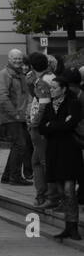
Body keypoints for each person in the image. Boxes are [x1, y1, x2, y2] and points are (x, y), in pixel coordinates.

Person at [38, 71, 82, 241]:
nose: (52, 91)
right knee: (60, 190)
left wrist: (53, 126)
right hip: (54, 151)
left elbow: (70, 124)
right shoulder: (50, 105)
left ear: (63, 89)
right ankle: (67, 226)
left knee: (70, 190)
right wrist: (56, 126)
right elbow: (42, 127)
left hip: (69, 151)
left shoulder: (73, 103)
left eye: (55, 88)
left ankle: (73, 227)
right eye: (51, 88)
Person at [26, 54, 61, 212]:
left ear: (32, 66)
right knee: (37, 161)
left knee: (44, 161)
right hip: (40, 126)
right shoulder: (47, 78)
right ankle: (42, 195)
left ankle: (51, 196)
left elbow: (43, 104)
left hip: (40, 127)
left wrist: (35, 123)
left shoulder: (43, 81)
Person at [0, 49, 33, 185]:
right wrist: (15, 113)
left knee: (18, 146)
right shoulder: (4, 74)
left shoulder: (20, 74)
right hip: (11, 117)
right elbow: (3, 97)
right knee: (21, 145)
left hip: (20, 116)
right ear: (9, 59)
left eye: (20, 59)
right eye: (15, 59)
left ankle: (7, 176)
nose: (18, 61)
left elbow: (25, 94)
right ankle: (15, 177)